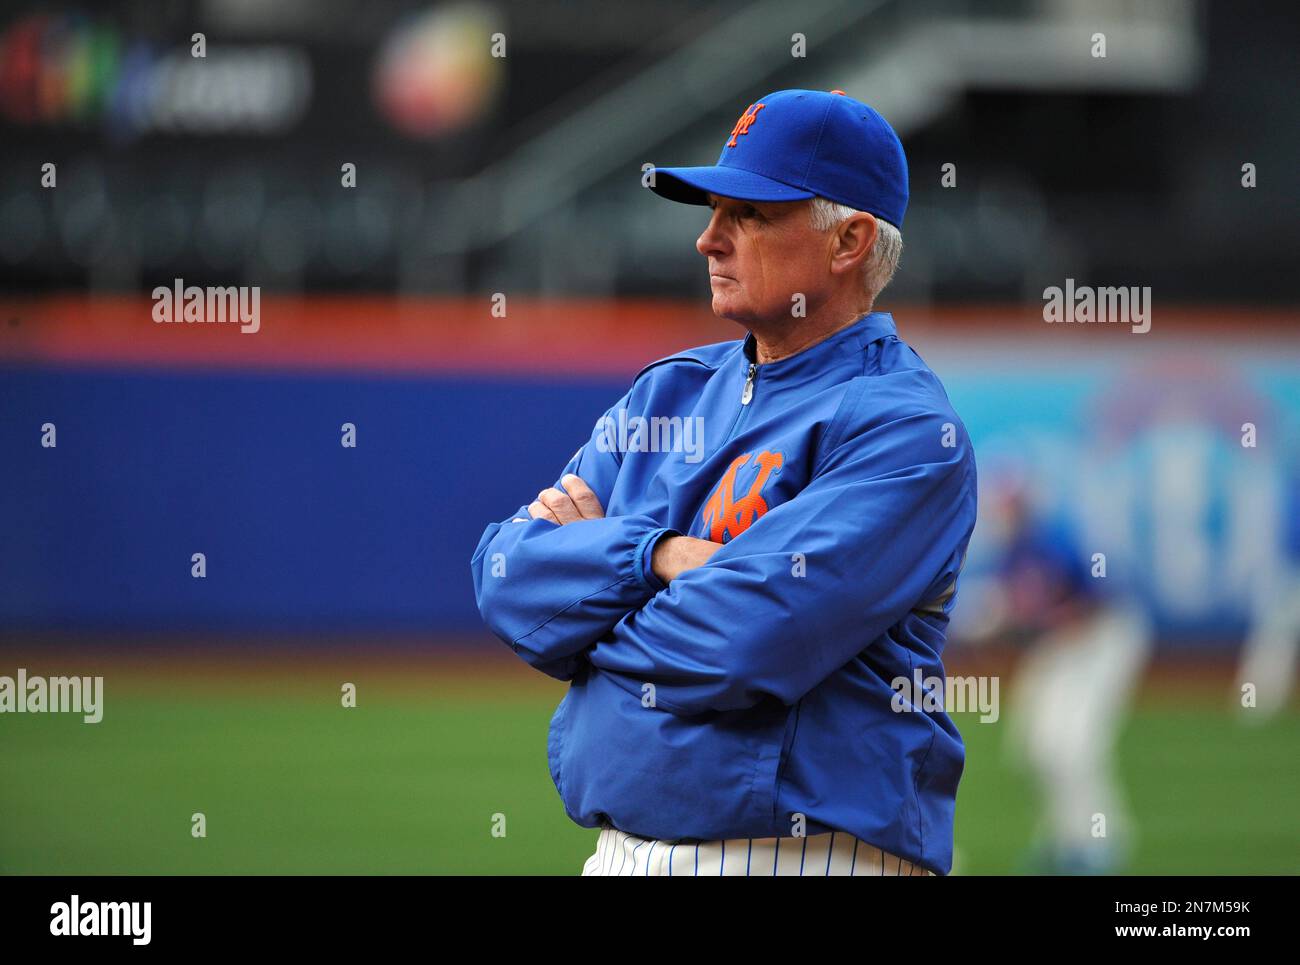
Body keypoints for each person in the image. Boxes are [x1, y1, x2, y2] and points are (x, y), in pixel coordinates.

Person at [471, 89, 977, 875]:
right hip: (618, 852)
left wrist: (587, 616)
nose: (709, 239)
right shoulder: (667, 392)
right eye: (712, 211)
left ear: (849, 240)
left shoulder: (905, 429)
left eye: (749, 214)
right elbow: (504, 574)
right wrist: (658, 558)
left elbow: (744, 640)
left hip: (802, 856)